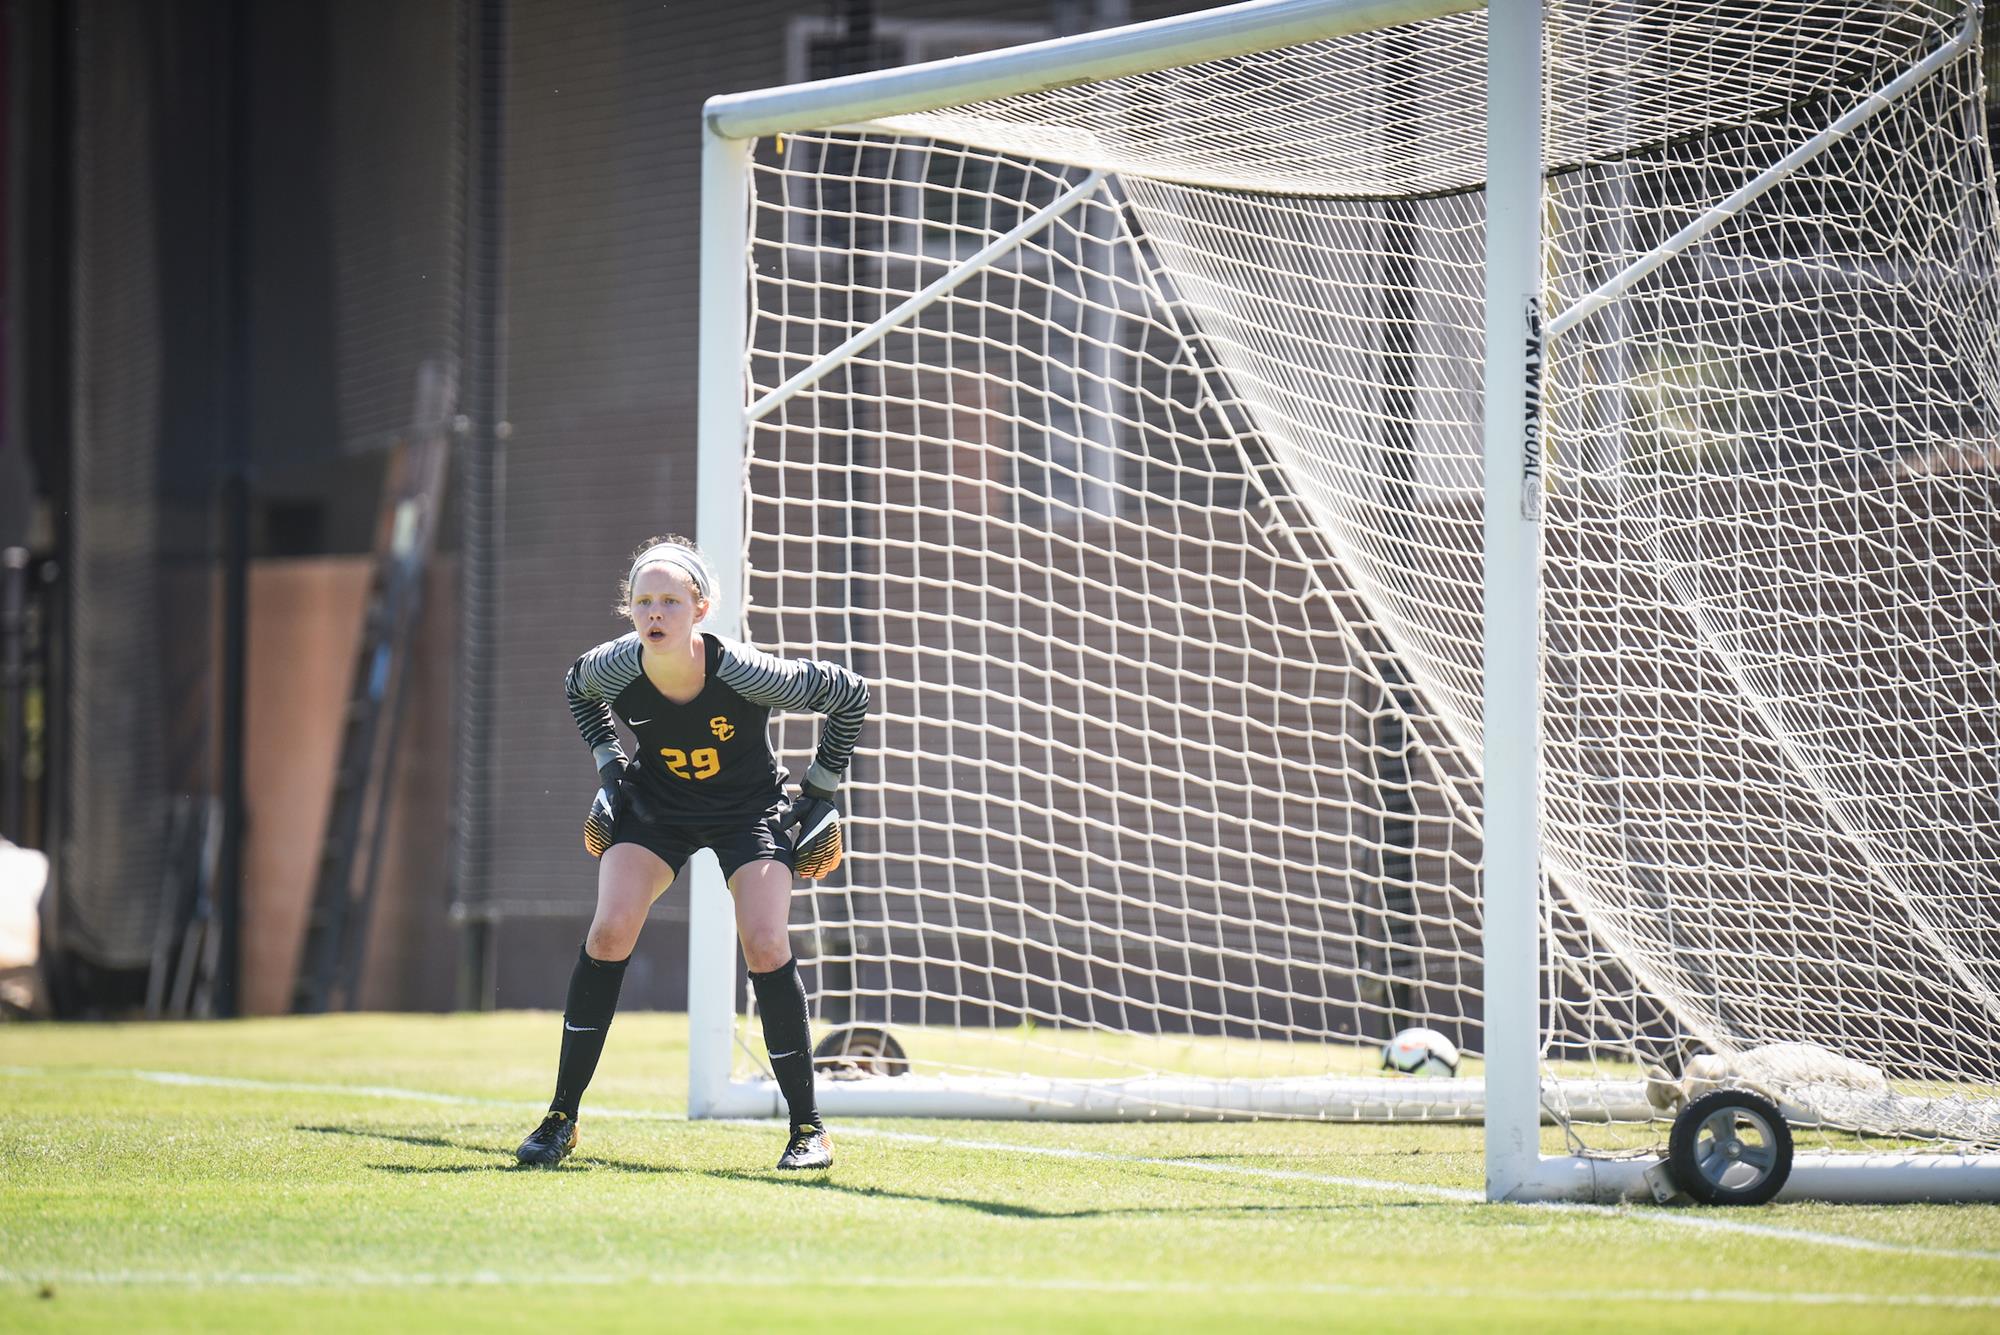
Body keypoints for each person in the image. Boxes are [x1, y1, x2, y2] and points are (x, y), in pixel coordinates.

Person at [515, 536, 868, 1171]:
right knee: (609, 932)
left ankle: (808, 1129)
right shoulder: (614, 665)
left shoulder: (746, 671)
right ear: (628, 610)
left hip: (747, 810)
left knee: (765, 942)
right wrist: (608, 765)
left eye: (671, 601)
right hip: (657, 807)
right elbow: (576, 688)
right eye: (643, 601)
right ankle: (560, 1118)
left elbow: (850, 694)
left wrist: (817, 792)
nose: (655, 613)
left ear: (700, 609)